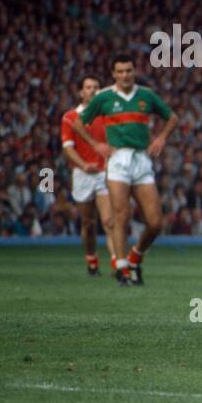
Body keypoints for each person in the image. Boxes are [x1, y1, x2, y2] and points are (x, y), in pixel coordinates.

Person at [73, 54, 178, 286]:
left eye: (128, 70)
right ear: (113, 74)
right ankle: (122, 269)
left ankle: (134, 257)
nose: (125, 75)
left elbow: (172, 117)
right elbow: (79, 122)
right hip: (118, 160)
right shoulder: (104, 97)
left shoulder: (146, 95)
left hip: (141, 159)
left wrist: (161, 138)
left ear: (134, 71)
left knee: (155, 222)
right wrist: (96, 144)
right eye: (120, 71)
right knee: (121, 216)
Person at [60, 75, 115, 276]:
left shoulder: (107, 115)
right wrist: (83, 165)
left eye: (96, 87)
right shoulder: (69, 117)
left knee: (109, 221)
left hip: (104, 174)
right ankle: (92, 259)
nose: (92, 90)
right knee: (88, 223)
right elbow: (68, 147)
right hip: (82, 174)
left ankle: (118, 265)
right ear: (81, 92)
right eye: (88, 87)